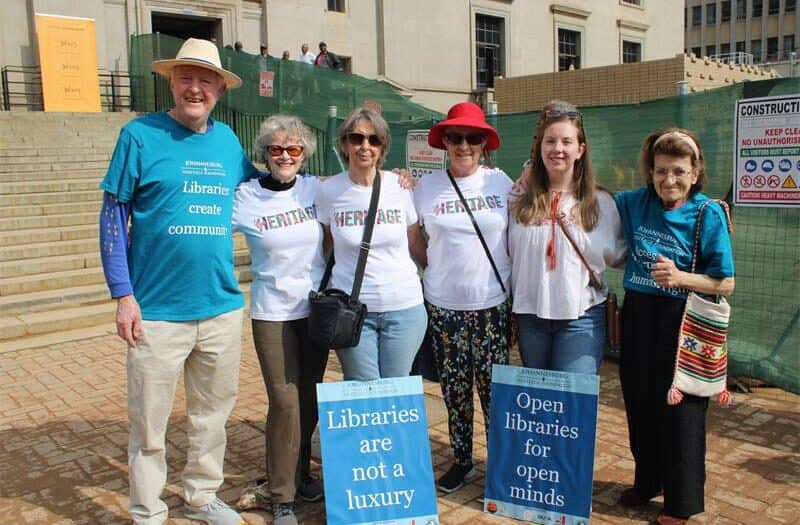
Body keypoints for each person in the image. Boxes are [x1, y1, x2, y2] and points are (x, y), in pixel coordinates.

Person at [98, 38, 258, 525]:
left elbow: (269, 188)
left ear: (218, 89)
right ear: (172, 82)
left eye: (205, 79)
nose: (195, 87)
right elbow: (112, 215)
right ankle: (148, 511)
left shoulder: (228, 142)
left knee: (212, 416)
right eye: (186, 77)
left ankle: (201, 493)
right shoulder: (139, 135)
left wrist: (380, 177)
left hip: (221, 308)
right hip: (156, 313)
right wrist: (123, 295)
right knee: (148, 424)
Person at [615, 128, 735, 525]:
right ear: (650, 172)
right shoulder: (635, 203)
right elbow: (588, 197)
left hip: (683, 321)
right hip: (638, 316)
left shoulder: (708, 213)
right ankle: (648, 481)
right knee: (640, 403)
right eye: (661, 171)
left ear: (696, 171)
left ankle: (681, 502)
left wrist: (683, 277)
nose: (669, 180)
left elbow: (726, 282)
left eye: (679, 171)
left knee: (682, 411)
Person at [411, 102, 513, 493]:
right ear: (445, 143)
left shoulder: (501, 183)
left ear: (485, 143)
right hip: (444, 307)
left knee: (494, 391)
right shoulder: (425, 187)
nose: (464, 145)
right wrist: (437, 269)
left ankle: (500, 462)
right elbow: (415, 241)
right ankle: (462, 460)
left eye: (474, 138)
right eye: (456, 137)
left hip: (491, 306)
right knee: (454, 390)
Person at [232, 115, 328, 525]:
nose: (285, 156)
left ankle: (301, 471)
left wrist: (401, 178)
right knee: (285, 401)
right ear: (265, 153)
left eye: (294, 149)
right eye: (276, 149)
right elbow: (207, 232)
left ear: (304, 154)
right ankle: (281, 495)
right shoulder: (245, 195)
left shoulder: (316, 188)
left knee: (309, 401)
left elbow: (361, 191)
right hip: (272, 313)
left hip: (317, 311)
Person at [509, 99, 625, 375]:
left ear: (580, 149)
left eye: (566, 142)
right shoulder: (517, 199)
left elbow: (625, 256)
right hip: (530, 315)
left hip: (581, 317)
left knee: (573, 404)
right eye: (550, 141)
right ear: (540, 147)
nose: (557, 149)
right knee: (540, 405)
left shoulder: (602, 202)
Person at [315, 106, 427, 380]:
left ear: (383, 147)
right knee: (364, 393)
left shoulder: (401, 187)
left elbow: (415, 241)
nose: (365, 146)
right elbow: (322, 248)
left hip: (404, 308)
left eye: (374, 139)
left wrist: (439, 278)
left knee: (396, 390)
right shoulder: (328, 191)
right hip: (351, 312)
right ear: (344, 143)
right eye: (357, 138)